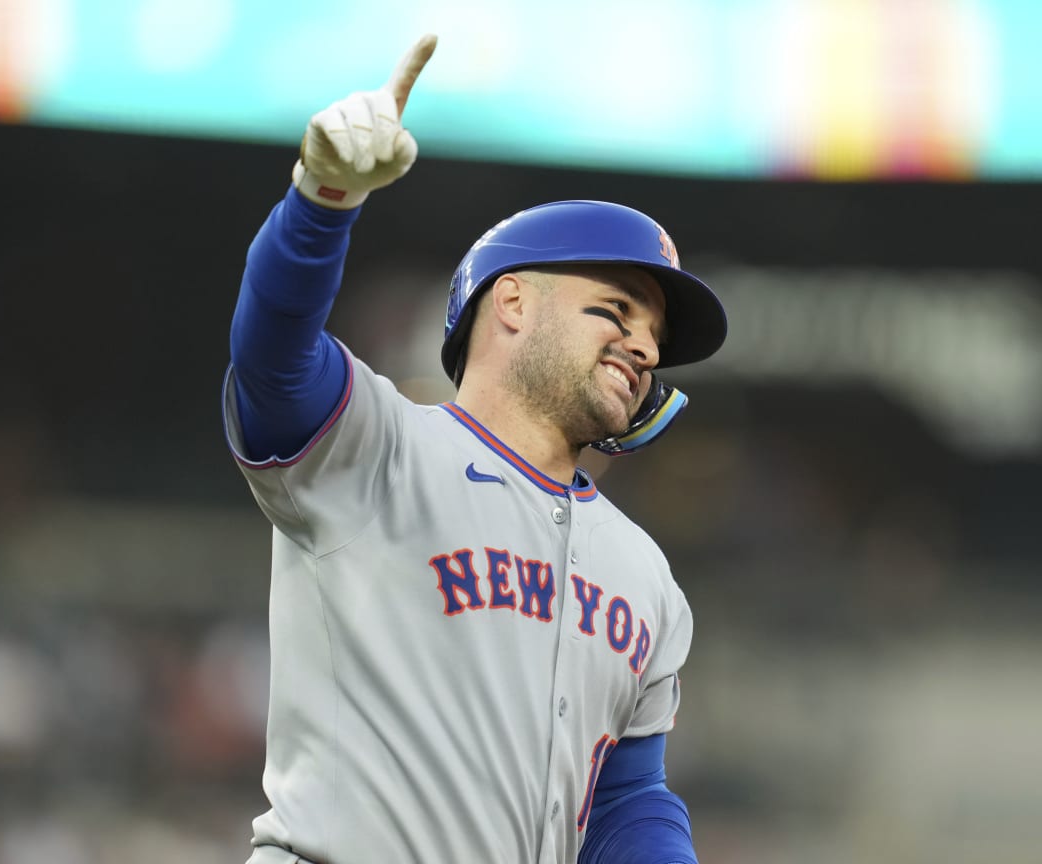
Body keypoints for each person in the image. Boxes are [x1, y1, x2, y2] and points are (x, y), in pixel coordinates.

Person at [223, 34, 727, 864]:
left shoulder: (647, 578)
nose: (643, 346)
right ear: (514, 302)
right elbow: (272, 364)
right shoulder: (378, 447)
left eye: (655, 337)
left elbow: (626, 800)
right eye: (617, 308)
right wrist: (322, 202)